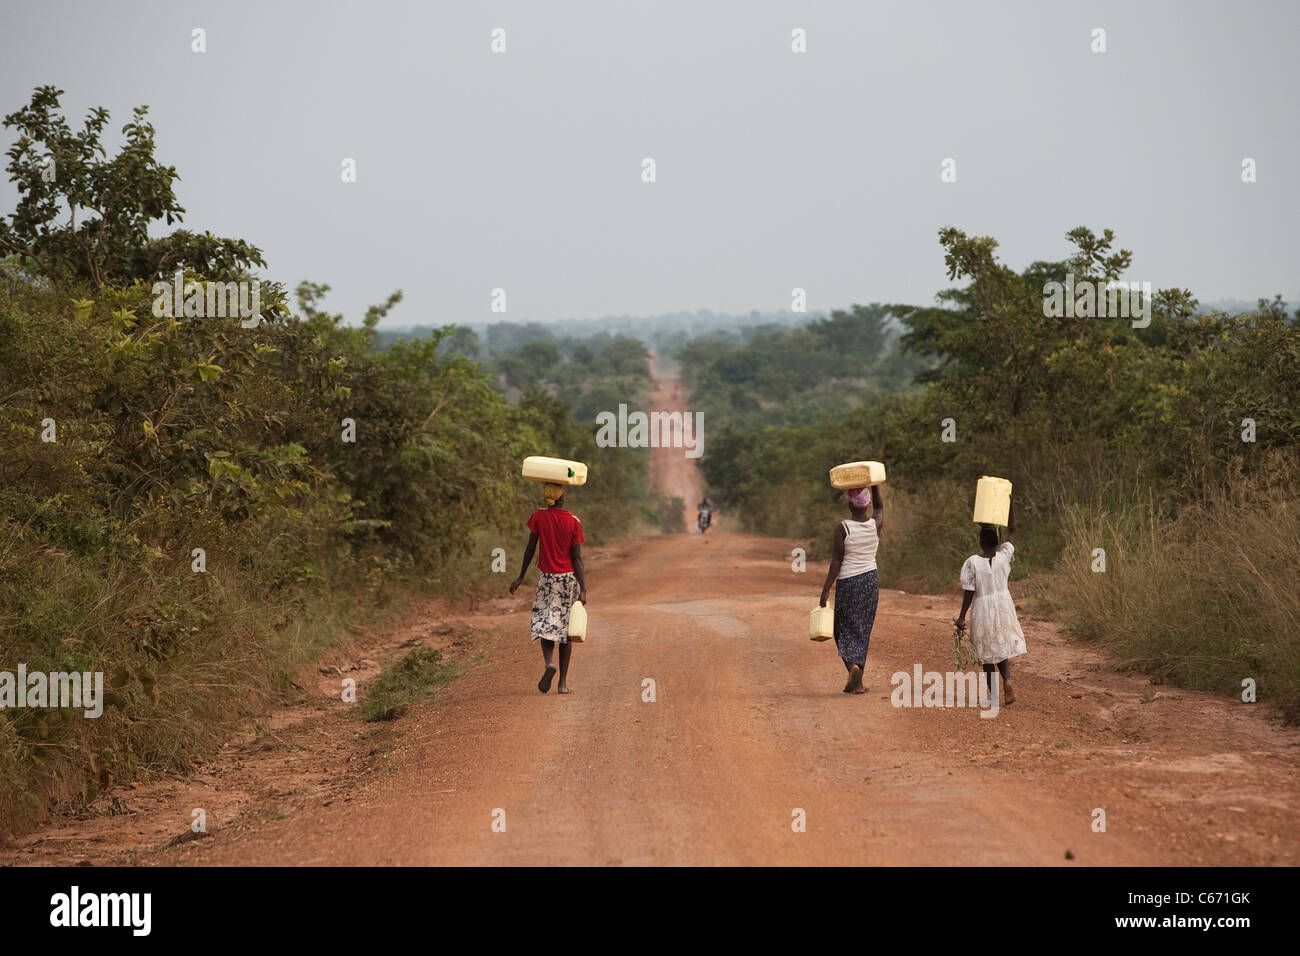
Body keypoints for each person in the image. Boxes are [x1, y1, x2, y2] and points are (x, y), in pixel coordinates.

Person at [509, 482, 588, 694]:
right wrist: (583, 589)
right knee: (566, 631)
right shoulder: (573, 521)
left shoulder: (539, 517)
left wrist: (520, 577)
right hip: (567, 581)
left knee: (545, 624)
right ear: (562, 498)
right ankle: (562, 684)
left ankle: (548, 663)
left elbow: (530, 548)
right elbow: (577, 558)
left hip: (546, 580)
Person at [954, 499, 1026, 705]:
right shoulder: (1005, 556)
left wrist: (961, 617)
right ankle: (1008, 682)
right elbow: (1012, 529)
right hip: (1004, 607)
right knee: (1000, 648)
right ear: (997, 541)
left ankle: (993, 695)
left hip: (983, 610)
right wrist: (1009, 503)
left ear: (980, 541)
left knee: (985, 654)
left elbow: (969, 592)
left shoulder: (972, 563)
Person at [818, 484, 883, 694]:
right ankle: (859, 683)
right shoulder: (876, 524)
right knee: (863, 629)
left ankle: (852, 667)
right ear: (868, 503)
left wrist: (826, 588)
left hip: (849, 582)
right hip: (871, 581)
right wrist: (875, 486)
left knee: (841, 628)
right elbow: (880, 509)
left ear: (849, 503)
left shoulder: (842, 528)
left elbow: (837, 561)